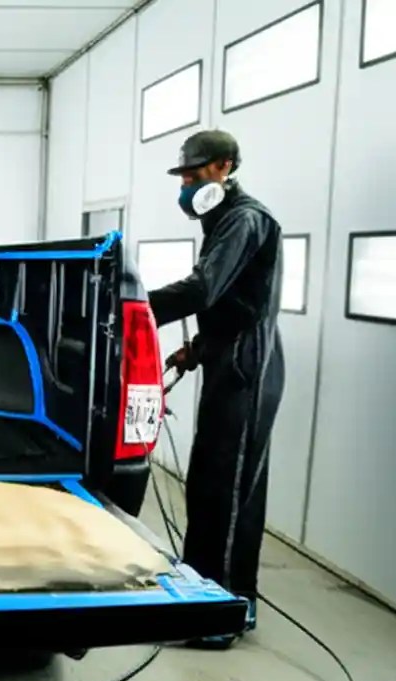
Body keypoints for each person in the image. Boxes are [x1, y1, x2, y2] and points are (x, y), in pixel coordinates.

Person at [148, 129, 285, 650]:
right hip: (230, 355)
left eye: (193, 173)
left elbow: (205, 289)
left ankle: (218, 611)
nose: (186, 183)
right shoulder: (224, 220)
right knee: (214, 480)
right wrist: (197, 349)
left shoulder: (245, 219)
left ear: (224, 167)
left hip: (249, 365)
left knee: (225, 489)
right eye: (182, 175)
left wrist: (136, 306)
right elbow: (236, 302)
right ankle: (213, 593)